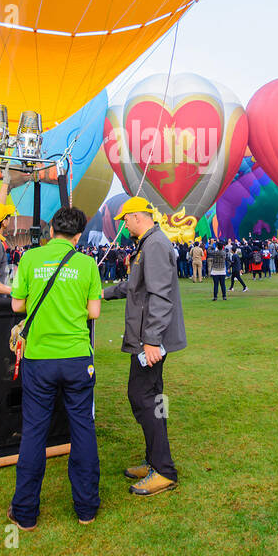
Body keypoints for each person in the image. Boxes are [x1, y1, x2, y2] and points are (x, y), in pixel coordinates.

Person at [8, 206, 103, 530]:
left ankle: (25, 514)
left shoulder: (30, 260)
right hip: (77, 357)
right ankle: (86, 508)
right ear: (78, 237)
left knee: (34, 432)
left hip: (40, 359)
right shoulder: (87, 263)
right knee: (83, 430)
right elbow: (94, 312)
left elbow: (17, 305)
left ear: (50, 232)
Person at [101, 197, 185, 497]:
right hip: (148, 338)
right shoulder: (149, 244)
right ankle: (154, 461)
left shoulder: (156, 245)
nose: (123, 224)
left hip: (151, 341)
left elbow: (160, 296)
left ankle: (164, 470)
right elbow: (134, 287)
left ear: (139, 217)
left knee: (141, 396)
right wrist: (104, 293)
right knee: (151, 397)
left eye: (126, 219)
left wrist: (151, 340)